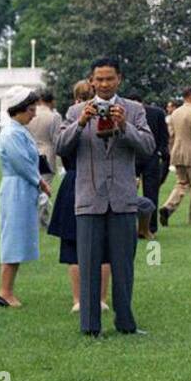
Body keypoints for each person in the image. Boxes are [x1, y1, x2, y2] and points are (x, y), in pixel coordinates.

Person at [55, 58, 157, 337]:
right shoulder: (76, 110)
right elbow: (60, 146)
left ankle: (126, 323)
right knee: (88, 264)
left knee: (123, 265)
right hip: (89, 199)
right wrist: (81, 122)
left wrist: (125, 125)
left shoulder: (134, 110)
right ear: (91, 81)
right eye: (98, 79)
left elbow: (148, 147)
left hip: (123, 198)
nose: (103, 84)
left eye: (109, 78)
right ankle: (90, 326)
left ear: (119, 79)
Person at [47, 80, 110, 314]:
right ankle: (100, 298)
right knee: (101, 246)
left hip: (75, 181)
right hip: (89, 182)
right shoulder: (77, 118)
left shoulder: (70, 118)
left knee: (74, 247)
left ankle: (79, 299)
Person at [0, 88, 49, 307]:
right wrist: (39, 181)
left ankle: (7, 289)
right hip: (16, 188)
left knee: (18, 238)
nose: (34, 114)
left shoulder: (19, 130)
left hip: (23, 188)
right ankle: (4, 291)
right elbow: (22, 163)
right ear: (18, 110)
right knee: (13, 240)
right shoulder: (11, 133)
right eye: (30, 109)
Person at [161, 85, 191, 226]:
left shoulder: (174, 114)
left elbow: (171, 136)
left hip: (177, 153)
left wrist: (172, 152)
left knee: (181, 184)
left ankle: (168, 207)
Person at [135, 95, 171, 234]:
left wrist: (161, 152)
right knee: (141, 193)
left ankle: (147, 226)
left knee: (149, 193)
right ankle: (143, 226)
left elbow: (164, 135)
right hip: (141, 156)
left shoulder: (156, 113)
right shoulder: (124, 113)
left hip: (147, 156)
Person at [29, 89, 63, 197]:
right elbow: (57, 141)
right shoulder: (54, 116)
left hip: (30, 154)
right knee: (44, 191)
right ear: (51, 101)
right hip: (47, 156)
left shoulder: (29, 113)